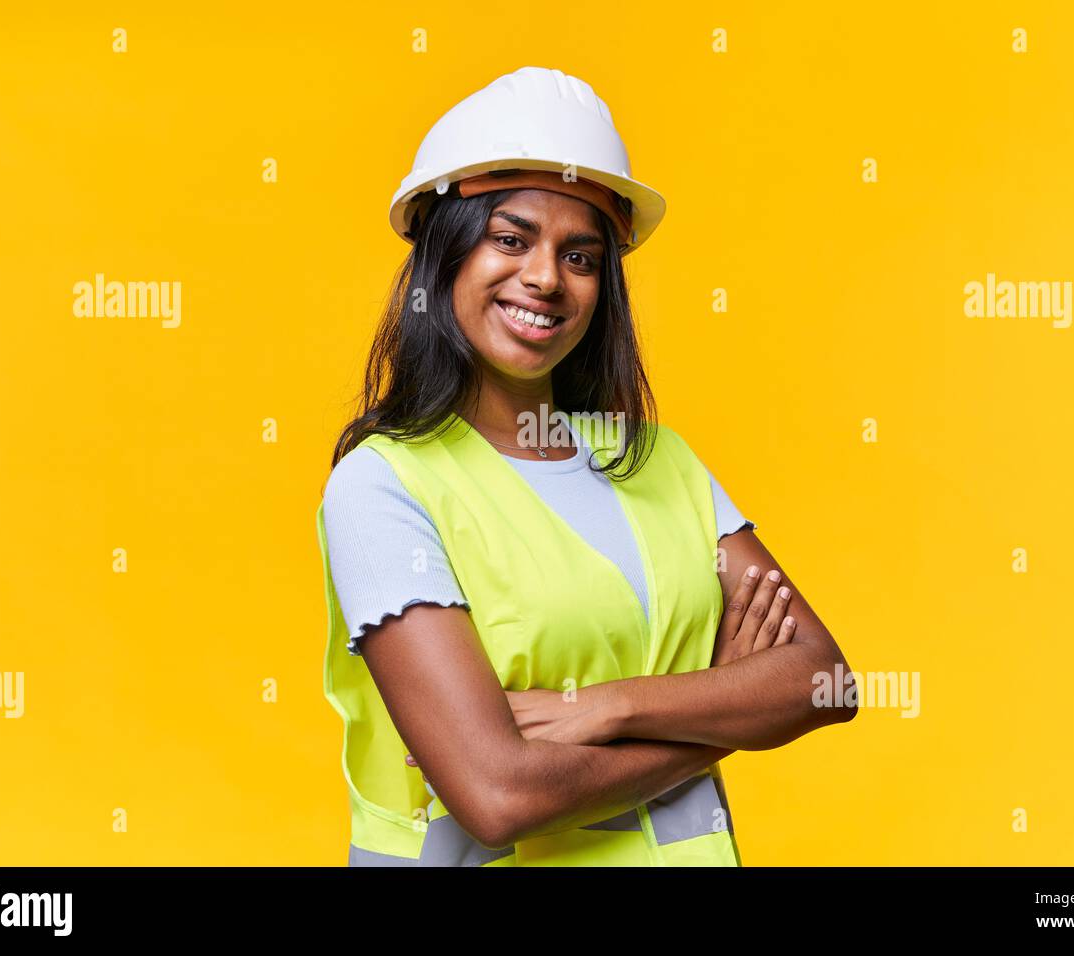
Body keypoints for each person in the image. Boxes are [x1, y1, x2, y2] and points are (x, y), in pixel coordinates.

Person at [318, 66, 856, 867]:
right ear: (446, 255)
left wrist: (602, 709)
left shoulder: (657, 461)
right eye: (510, 238)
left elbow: (823, 682)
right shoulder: (384, 485)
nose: (544, 277)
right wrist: (724, 708)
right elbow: (499, 794)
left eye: (580, 256)